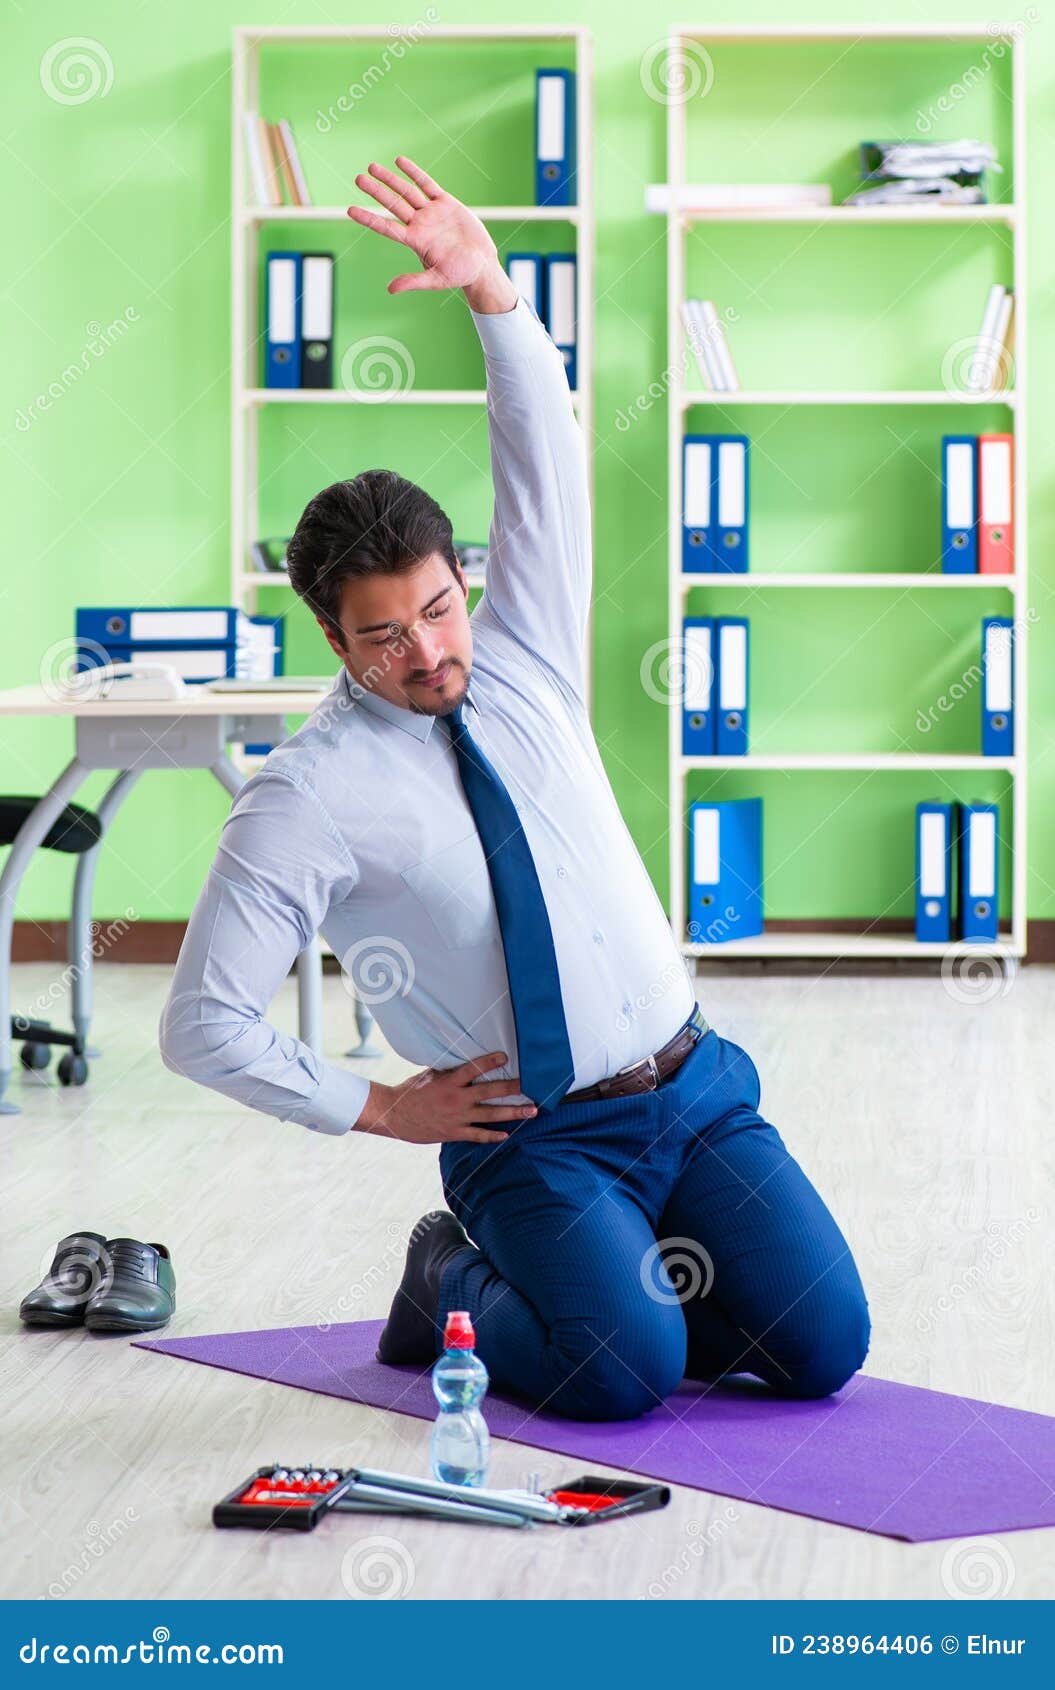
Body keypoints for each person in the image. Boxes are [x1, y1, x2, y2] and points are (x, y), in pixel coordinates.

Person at [159, 156, 870, 1422]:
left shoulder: (525, 650)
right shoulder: (303, 794)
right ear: (332, 636)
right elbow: (203, 1022)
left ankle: (624, 1284)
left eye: (438, 608)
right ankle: (453, 1268)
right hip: (535, 1142)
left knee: (822, 1347)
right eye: (384, 636)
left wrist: (489, 287)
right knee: (621, 1377)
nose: (428, 651)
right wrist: (377, 1105)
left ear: (460, 580)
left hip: (693, 1088)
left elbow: (542, 460)